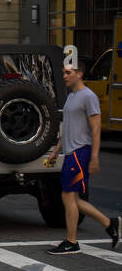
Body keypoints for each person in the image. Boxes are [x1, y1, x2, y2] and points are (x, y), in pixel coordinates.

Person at [45, 63, 119, 254]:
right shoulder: (71, 97)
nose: (65, 76)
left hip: (80, 152)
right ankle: (110, 224)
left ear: (80, 74)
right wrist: (56, 150)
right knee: (73, 198)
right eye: (63, 73)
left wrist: (94, 156)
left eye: (68, 73)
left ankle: (72, 241)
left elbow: (95, 129)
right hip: (70, 153)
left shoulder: (88, 97)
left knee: (68, 196)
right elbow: (68, 128)